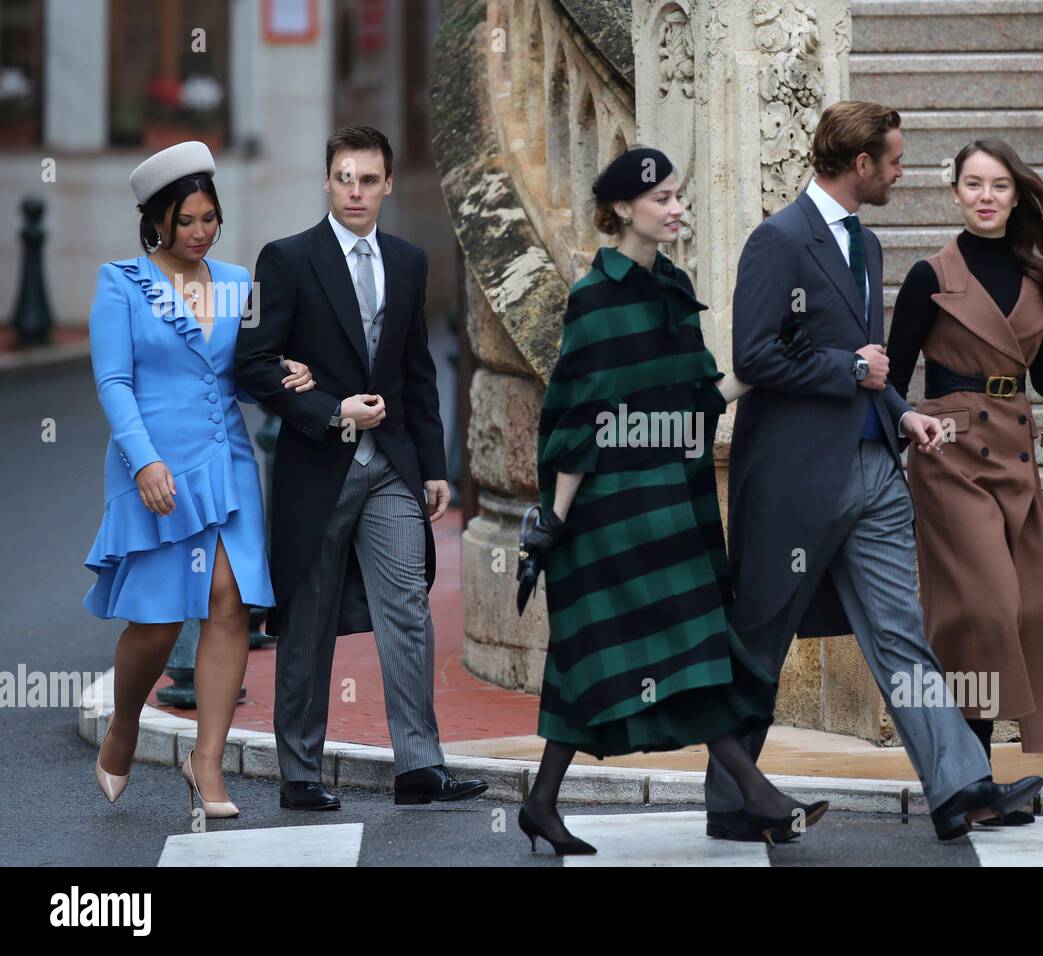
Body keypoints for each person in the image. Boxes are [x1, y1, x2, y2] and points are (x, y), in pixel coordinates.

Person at [704, 101, 1043, 842]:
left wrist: (900, 411)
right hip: (795, 484)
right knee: (759, 641)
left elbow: (873, 363)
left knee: (903, 636)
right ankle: (732, 796)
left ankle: (960, 789)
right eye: (892, 159)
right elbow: (755, 355)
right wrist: (849, 366)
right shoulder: (778, 241)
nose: (900, 169)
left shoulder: (871, 246)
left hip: (874, 474)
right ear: (860, 164)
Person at [516, 147, 829, 855]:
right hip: (610, 515)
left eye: (679, 195)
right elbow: (576, 419)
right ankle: (761, 798)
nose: (677, 207)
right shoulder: (594, 299)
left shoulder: (675, 286)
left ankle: (540, 802)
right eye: (662, 198)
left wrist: (764, 366)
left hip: (676, 511)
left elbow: (694, 401)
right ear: (624, 209)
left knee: (623, 650)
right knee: (652, 648)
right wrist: (555, 521)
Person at [235, 125, 486, 811]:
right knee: (308, 620)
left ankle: (419, 765)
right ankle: (300, 773)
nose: (355, 190)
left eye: (368, 179)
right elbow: (252, 363)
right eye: (345, 177)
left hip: (391, 470)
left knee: (407, 609)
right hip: (317, 469)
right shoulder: (284, 260)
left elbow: (415, 370)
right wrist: (330, 407)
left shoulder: (407, 262)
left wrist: (435, 467)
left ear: (388, 184)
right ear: (326, 180)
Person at [86, 141, 316, 818]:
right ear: (156, 221)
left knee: (229, 605)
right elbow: (113, 382)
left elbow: (251, 372)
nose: (199, 232)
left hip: (227, 465)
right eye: (185, 221)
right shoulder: (119, 283)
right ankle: (126, 723)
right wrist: (145, 460)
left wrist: (287, 374)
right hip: (153, 465)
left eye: (209, 218)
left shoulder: (243, 284)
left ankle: (207, 764)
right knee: (155, 623)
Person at [886, 139, 1043, 821]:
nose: (986, 196)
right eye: (974, 184)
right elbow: (893, 380)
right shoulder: (929, 276)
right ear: (954, 192)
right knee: (985, 605)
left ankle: (973, 781)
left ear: (1016, 196)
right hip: (949, 453)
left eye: (1000, 185)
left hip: (1013, 452)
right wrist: (903, 425)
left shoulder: (1038, 278)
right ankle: (972, 777)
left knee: (1019, 612)